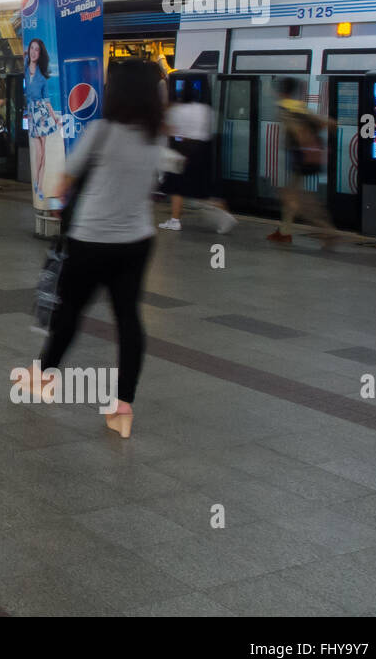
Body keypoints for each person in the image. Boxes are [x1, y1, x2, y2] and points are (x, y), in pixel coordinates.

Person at [22, 59, 167, 440]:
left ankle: (42, 377)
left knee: (69, 314)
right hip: (137, 241)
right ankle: (122, 406)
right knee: (129, 321)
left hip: (90, 240)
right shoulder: (156, 137)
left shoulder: (101, 132)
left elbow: (61, 186)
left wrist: (61, 204)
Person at [158, 82, 237, 234]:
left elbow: (169, 129)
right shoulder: (206, 109)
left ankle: (175, 220)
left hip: (183, 149)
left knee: (176, 186)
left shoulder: (177, 110)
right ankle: (226, 215)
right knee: (203, 187)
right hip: (203, 150)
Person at [269, 77, 338, 246]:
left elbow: (296, 129)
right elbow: (327, 123)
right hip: (303, 155)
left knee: (292, 196)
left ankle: (326, 229)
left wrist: (304, 140)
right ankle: (284, 232)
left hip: (298, 156)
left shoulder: (284, 108)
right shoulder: (300, 106)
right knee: (291, 194)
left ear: (281, 91)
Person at [23, 39, 61, 204]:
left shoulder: (42, 77)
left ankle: (38, 185)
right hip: (32, 114)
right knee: (40, 152)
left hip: (42, 114)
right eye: (32, 48)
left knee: (42, 151)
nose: (33, 52)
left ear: (40, 54)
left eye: (37, 50)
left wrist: (55, 118)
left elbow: (47, 100)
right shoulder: (24, 69)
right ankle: (38, 184)